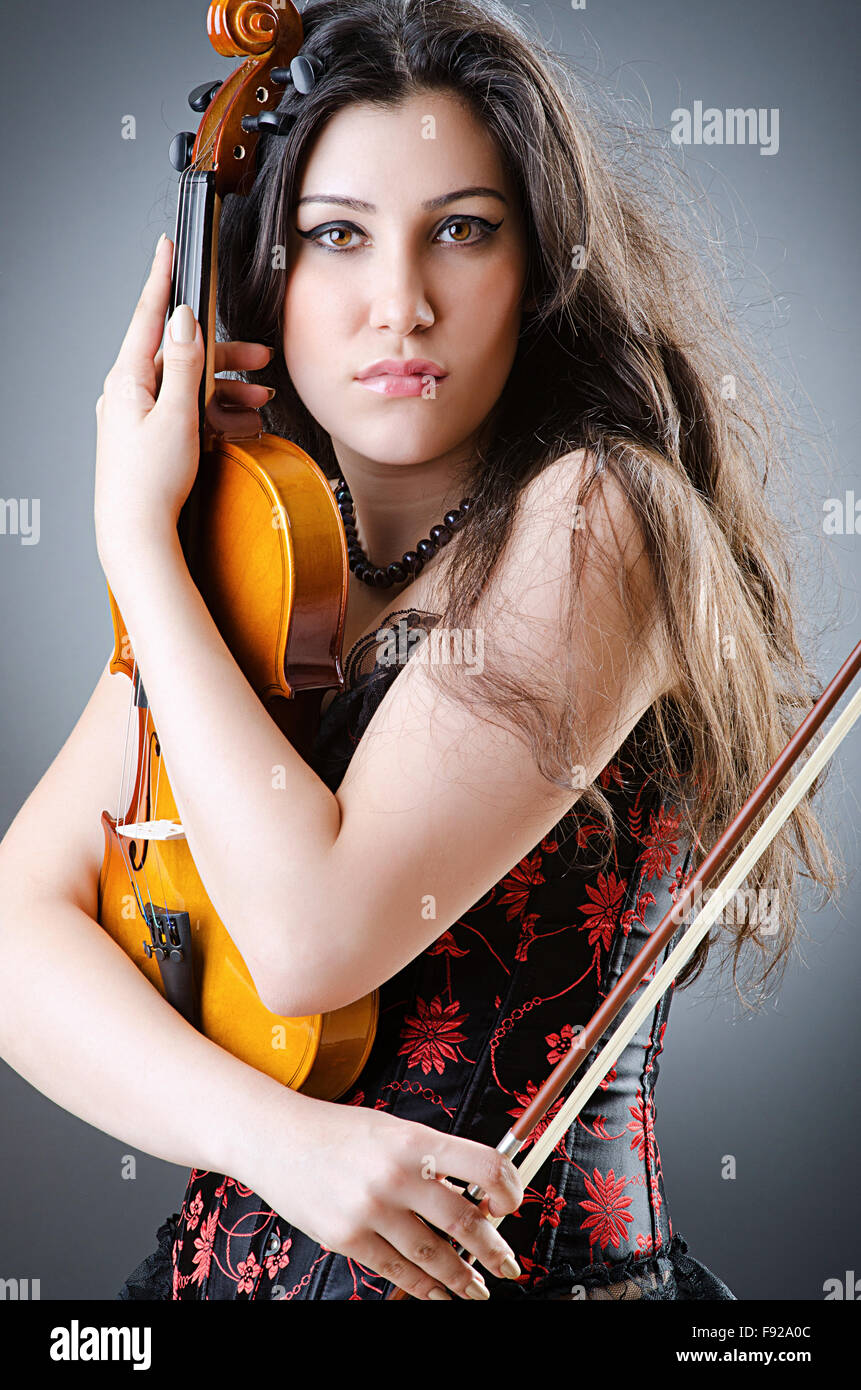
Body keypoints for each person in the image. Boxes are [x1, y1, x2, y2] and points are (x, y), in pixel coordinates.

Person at [0, 0, 840, 1302]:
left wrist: (134, 543)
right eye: (337, 236)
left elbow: (311, 941)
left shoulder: (601, 519)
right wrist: (271, 1137)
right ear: (265, 275)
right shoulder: (253, 565)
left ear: (539, 266)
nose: (400, 303)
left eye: (461, 230)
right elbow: (14, 935)